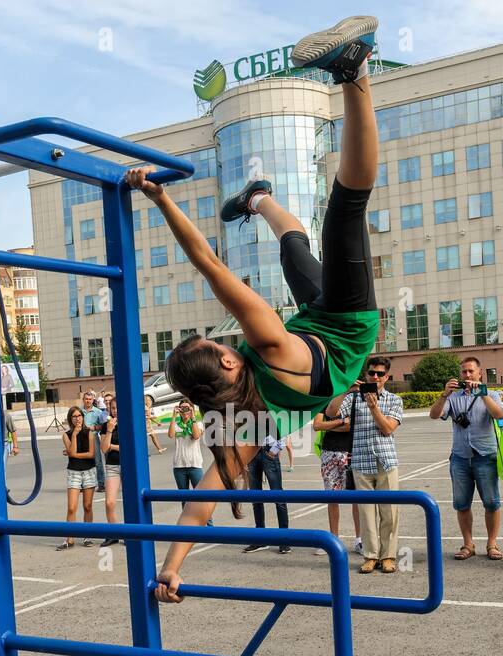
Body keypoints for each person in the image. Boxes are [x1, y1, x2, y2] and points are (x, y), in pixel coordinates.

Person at [138, 14, 382, 600]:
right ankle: (356, 72)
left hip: (313, 331)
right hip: (347, 324)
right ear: (224, 363)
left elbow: (200, 504)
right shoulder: (266, 345)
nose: (224, 343)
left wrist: (172, 567)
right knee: (343, 213)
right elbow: (211, 267)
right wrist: (160, 198)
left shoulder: (238, 421)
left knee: (292, 245)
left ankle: (260, 197)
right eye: (217, 346)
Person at [430, 355, 503, 561]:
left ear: (480, 373)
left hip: (485, 456)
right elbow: (434, 414)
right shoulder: (453, 397)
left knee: (491, 503)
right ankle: (468, 543)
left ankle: (492, 544)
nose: (467, 375)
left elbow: (499, 414)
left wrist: (482, 394)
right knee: (462, 503)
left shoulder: (491, 393)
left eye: (471, 371)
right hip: (460, 458)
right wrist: (444, 395)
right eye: (464, 371)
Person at [333, 357, 403, 573]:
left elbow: (388, 429)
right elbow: (331, 413)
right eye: (371, 373)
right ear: (365, 375)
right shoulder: (354, 399)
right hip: (361, 462)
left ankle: (388, 555)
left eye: (380, 374)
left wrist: (374, 408)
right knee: (366, 512)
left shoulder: (394, 400)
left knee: (389, 512)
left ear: (387, 377)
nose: (375, 377)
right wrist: (346, 390)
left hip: (386, 461)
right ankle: (371, 555)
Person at [313, 401, 361, 556]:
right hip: (329, 452)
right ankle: (334, 539)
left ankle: (359, 540)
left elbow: (352, 426)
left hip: (351, 451)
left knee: (356, 498)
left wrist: (330, 424)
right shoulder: (328, 400)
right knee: (332, 497)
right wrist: (340, 421)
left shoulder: (356, 398)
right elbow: (317, 425)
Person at [242, 423, 291, 555]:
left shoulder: (272, 407)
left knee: (278, 497)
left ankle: (284, 540)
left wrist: (274, 450)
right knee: (255, 498)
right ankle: (260, 539)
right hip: (253, 451)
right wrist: (245, 456)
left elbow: (285, 428)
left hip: (269, 451)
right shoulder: (251, 409)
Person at [57, 406, 97, 549]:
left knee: (87, 505)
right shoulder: (66, 435)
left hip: (89, 470)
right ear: (70, 419)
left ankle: (88, 536)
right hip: (74, 471)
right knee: (72, 507)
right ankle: (69, 538)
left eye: (79, 415)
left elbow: (91, 454)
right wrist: (74, 435)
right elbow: (71, 450)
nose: (77, 418)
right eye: (74, 416)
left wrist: (73, 454)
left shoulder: (89, 433)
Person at [99, 398, 122, 548]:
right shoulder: (106, 426)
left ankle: (132, 533)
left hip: (128, 465)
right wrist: (109, 430)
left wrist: (113, 446)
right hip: (112, 465)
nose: (115, 410)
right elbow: (104, 448)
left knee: (131, 501)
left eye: (117, 408)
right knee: (109, 502)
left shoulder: (129, 423)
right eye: (112, 408)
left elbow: (127, 447)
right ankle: (114, 533)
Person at [80, 391, 108, 490]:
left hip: (93, 437)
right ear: (83, 400)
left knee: (98, 461)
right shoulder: (79, 411)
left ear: (93, 400)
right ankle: (83, 485)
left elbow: (103, 426)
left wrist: (94, 428)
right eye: (86, 399)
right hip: (81, 438)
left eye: (90, 399)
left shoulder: (98, 412)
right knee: (82, 461)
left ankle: (101, 484)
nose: (88, 401)